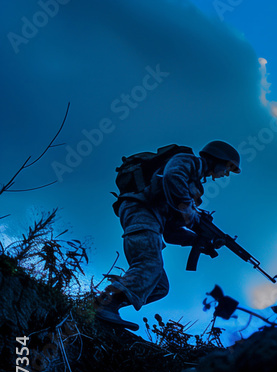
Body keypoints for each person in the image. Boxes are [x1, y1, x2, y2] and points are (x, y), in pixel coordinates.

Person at [94, 141, 241, 330]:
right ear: (218, 159)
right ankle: (103, 304)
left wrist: (198, 240)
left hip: (153, 220)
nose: (226, 173)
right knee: (150, 265)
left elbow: (170, 232)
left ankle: (109, 306)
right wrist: (192, 215)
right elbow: (173, 176)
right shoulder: (189, 162)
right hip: (141, 211)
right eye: (228, 167)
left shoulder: (193, 185)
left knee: (159, 286)